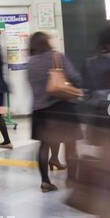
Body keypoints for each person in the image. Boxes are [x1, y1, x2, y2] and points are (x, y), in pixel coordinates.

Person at [26, 31, 82, 192]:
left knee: (44, 146)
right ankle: (72, 180)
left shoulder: (30, 63)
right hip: (61, 108)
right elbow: (74, 77)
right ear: (47, 42)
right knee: (71, 144)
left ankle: (45, 182)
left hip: (39, 111)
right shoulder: (56, 56)